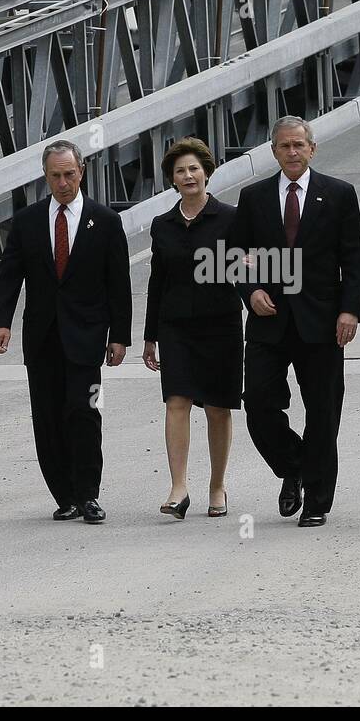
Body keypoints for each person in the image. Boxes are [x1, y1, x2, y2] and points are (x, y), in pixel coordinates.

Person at [228, 115, 360, 527]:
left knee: (323, 411)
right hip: (268, 322)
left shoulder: (338, 194)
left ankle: (318, 502)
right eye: (284, 146)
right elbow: (235, 256)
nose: (292, 152)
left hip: (323, 322)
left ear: (312, 149)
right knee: (257, 404)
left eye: (299, 145)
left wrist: (350, 309)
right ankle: (295, 466)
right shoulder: (253, 197)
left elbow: (354, 258)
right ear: (274, 151)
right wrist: (250, 291)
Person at [0, 140, 132, 525]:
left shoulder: (104, 221)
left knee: (84, 413)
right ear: (46, 176)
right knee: (48, 417)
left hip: (86, 338)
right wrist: (1, 322)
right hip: (42, 337)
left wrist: (119, 336)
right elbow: (10, 275)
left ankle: (88, 494)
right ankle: (64, 495)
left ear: (81, 172)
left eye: (70, 174)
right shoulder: (28, 221)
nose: (63, 182)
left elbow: (118, 282)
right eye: (56, 175)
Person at [143, 138, 242, 519]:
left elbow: (245, 270)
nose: (188, 176)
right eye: (180, 171)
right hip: (176, 327)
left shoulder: (231, 218)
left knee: (217, 407)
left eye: (194, 169)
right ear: (172, 179)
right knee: (177, 401)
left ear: (206, 173)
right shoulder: (162, 225)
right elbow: (157, 281)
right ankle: (178, 487)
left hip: (221, 324)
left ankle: (217, 485)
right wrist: (150, 335)